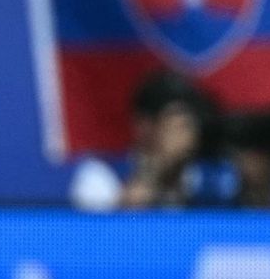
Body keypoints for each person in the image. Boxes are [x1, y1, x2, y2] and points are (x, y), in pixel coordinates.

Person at [71, 71, 238, 212]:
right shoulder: (100, 175)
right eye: (177, 125)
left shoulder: (213, 179)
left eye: (192, 123)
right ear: (144, 125)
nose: (187, 134)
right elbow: (111, 233)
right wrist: (156, 167)